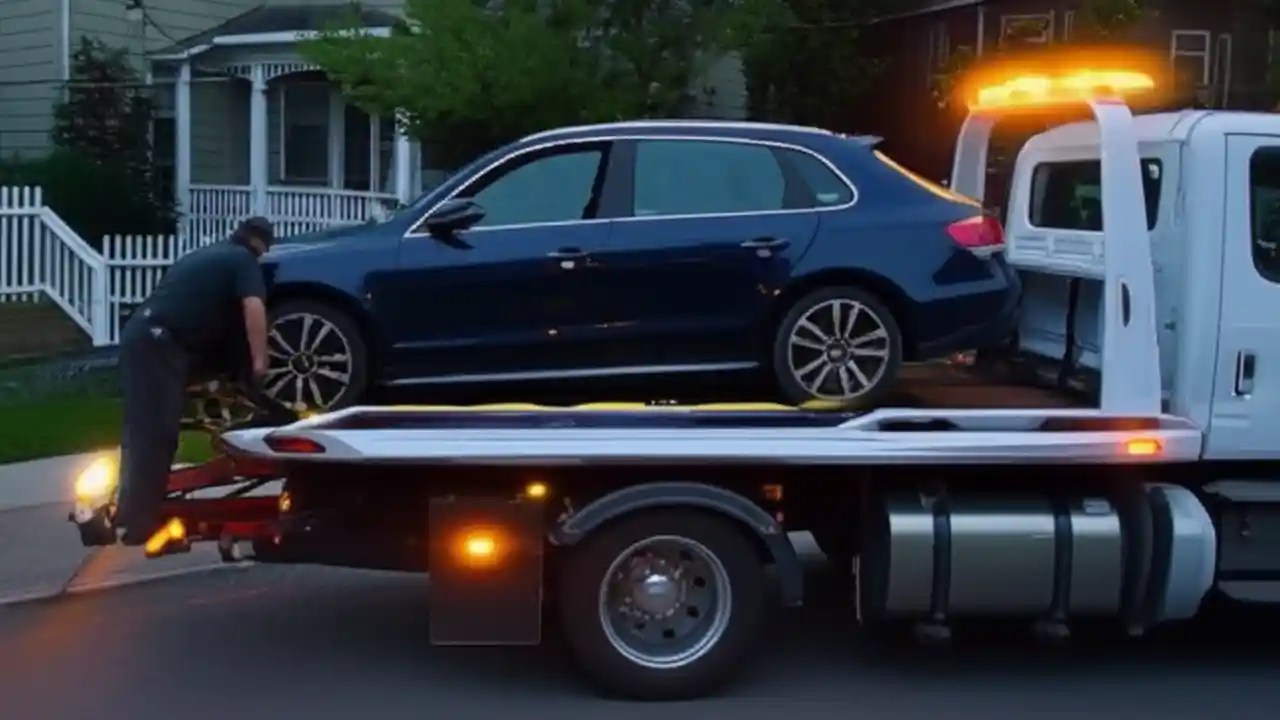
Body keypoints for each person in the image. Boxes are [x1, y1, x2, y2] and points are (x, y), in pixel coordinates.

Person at [112, 217, 274, 545]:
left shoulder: (208, 255)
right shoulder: (243, 260)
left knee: (141, 431)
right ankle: (139, 523)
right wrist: (260, 360)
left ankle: (130, 511)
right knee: (156, 433)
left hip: (142, 336)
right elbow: (253, 306)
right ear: (261, 245)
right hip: (160, 341)